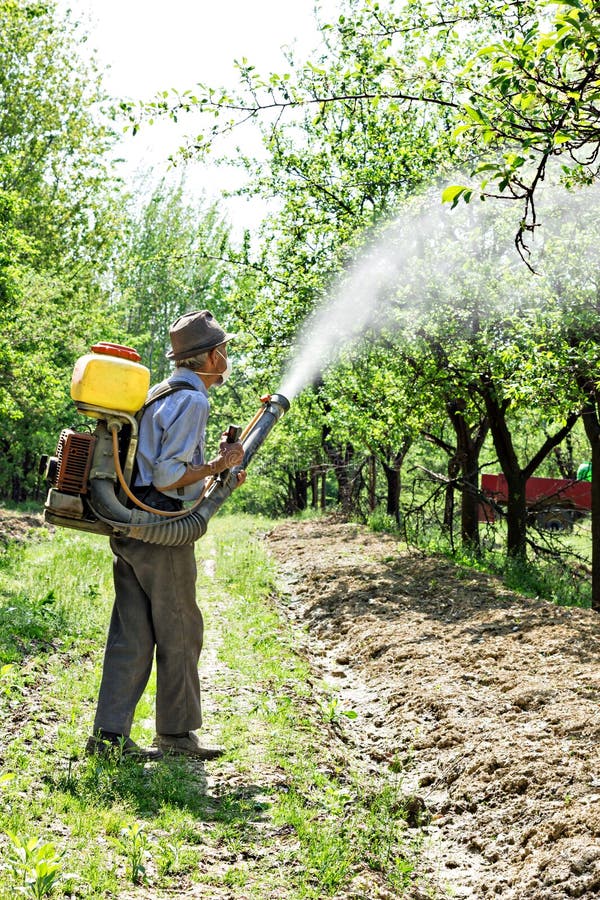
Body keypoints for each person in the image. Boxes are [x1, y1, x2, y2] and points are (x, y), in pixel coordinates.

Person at [86, 310, 245, 761]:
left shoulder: (160, 391)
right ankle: (176, 736)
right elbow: (166, 475)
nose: (227, 358)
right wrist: (218, 466)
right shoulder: (194, 401)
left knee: (131, 635)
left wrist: (212, 467)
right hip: (162, 526)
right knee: (179, 629)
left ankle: (109, 738)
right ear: (211, 357)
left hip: (131, 523)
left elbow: (161, 466)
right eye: (225, 351)